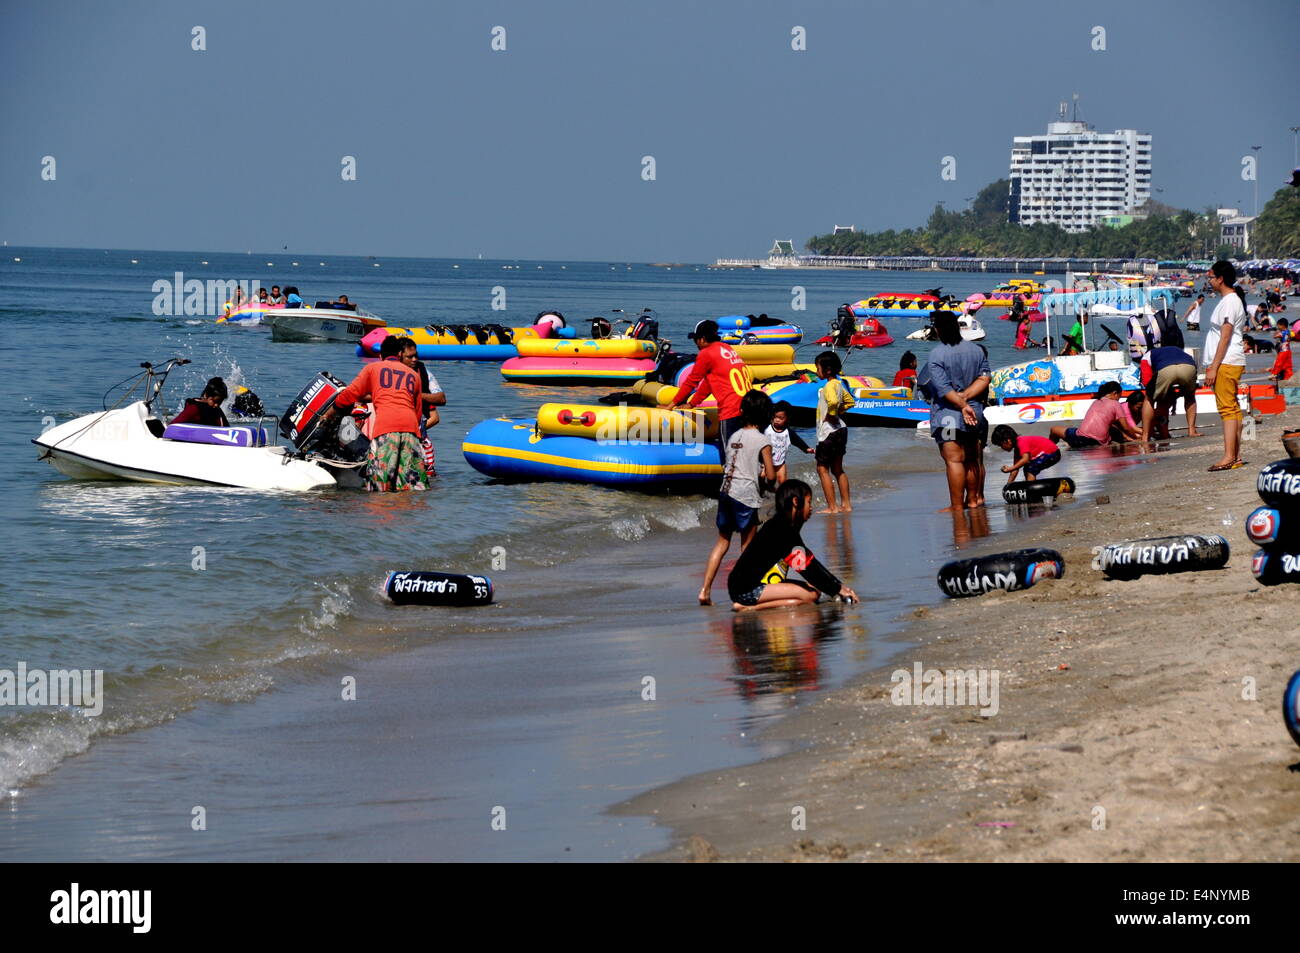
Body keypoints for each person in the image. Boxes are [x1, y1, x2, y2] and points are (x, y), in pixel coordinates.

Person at [726, 479, 858, 612]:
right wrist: (837, 589)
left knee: (815, 589)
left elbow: (809, 562)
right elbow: (806, 567)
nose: (811, 508)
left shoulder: (782, 525)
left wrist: (837, 585)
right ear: (796, 502)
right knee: (811, 595)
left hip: (745, 584)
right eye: (808, 502)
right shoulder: (781, 531)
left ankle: (752, 604)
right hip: (745, 590)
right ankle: (748, 606)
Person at [698, 390, 777, 605]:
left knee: (722, 543)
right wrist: (763, 473)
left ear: (742, 412)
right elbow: (771, 476)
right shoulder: (763, 440)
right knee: (748, 547)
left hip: (725, 492)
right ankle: (741, 593)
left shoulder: (734, 435)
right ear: (765, 415)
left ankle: (705, 590)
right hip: (745, 496)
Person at [323, 335, 427, 491]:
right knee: (410, 486)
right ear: (399, 355)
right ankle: (406, 514)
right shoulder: (414, 375)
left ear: (380, 355)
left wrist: (329, 413)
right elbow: (418, 411)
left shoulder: (372, 368)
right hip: (411, 429)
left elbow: (350, 394)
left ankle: (381, 514)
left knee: (380, 486)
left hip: (386, 427)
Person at [918, 310, 990, 511]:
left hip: (948, 416)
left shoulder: (937, 354)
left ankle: (957, 506)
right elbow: (984, 378)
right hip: (974, 413)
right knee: (971, 459)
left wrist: (961, 404)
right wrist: (967, 399)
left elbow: (943, 388)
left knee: (954, 461)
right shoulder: (976, 350)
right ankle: (973, 500)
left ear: (938, 330)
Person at [669, 319, 753, 445]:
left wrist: (670, 405)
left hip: (731, 410)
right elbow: (708, 383)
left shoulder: (706, 353)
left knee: (729, 456)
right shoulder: (727, 348)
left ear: (702, 339)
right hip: (749, 407)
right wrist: (692, 404)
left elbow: (691, 381)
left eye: (695, 340)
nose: (696, 344)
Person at [1203, 260, 1249, 471]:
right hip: (1228, 361)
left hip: (1227, 361)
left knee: (1227, 409)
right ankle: (1235, 455)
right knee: (1232, 408)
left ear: (1220, 279)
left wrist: (1214, 366)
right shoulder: (1229, 300)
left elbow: (1225, 336)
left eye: (1210, 277)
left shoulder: (1230, 301)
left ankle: (1229, 456)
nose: (1208, 280)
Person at [813, 351, 854, 513]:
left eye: (818, 369)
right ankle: (846, 505)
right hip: (841, 430)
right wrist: (838, 413)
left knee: (822, 469)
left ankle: (832, 507)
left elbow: (834, 401)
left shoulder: (829, 386)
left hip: (828, 432)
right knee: (838, 469)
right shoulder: (839, 384)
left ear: (827, 370)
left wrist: (831, 414)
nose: (817, 372)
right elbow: (850, 401)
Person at [401, 344, 447, 479]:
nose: (414, 359)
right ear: (399, 356)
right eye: (410, 357)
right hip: (398, 437)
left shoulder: (423, 374)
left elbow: (437, 411)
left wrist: (416, 394)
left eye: (416, 356)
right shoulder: (390, 375)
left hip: (419, 441)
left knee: (424, 482)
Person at [1049, 381, 1140, 448]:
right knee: (1112, 429)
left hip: (1079, 439)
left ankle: (1050, 449)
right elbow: (1126, 427)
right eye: (1119, 397)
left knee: (1053, 429)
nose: (1118, 400)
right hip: (1095, 442)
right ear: (1115, 393)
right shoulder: (1115, 404)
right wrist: (1135, 438)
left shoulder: (1096, 401)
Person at [1138, 346, 1199, 441]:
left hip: (1165, 369)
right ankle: (1192, 430)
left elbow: (1147, 382)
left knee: (1149, 398)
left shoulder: (1147, 355)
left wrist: (1156, 392)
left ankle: (1145, 436)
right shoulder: (1178, 350)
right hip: (1188, 367)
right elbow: (1194, 365)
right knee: (1190, 396)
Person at [991, 424, 1060, 483]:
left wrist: (1010, 469)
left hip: (1052, 453)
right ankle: (1030, 484)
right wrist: (1008, 484)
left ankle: (1032, 489)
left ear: (1008, 441)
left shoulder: (1021, 441)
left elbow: (1025, 459)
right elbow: (1015, 469)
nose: (1001, 448)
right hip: (1048, 454)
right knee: (1027, 468)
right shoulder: (1017, 449)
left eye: (1001, 445)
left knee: (1031, 467)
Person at [765, 400, 811, 485]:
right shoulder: (767, 428)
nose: (777, 420)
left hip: (780, 463)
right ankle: (765, 493)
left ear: (787, 418)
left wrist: (806, 448)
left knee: (783, 482)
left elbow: (797, 440)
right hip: (766, 461)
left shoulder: (788, 432)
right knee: (765, 478)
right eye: (775, 417)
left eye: (781, 418)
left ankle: (780, 496)